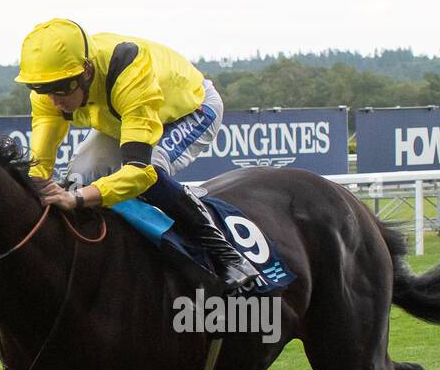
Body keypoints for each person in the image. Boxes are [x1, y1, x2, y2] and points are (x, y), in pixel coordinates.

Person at [15, 18, 264, 292]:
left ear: (86, 71)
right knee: (80, 174)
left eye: (62, 88)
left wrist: (75, 199)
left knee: (151, 171)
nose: (52, 99)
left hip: (189, 108)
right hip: (123, 118)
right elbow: (39, 165)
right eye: (41, 90)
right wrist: (39, 184)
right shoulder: (50, 80)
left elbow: (138, 171)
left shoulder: (128, 68)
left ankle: (227, 255)